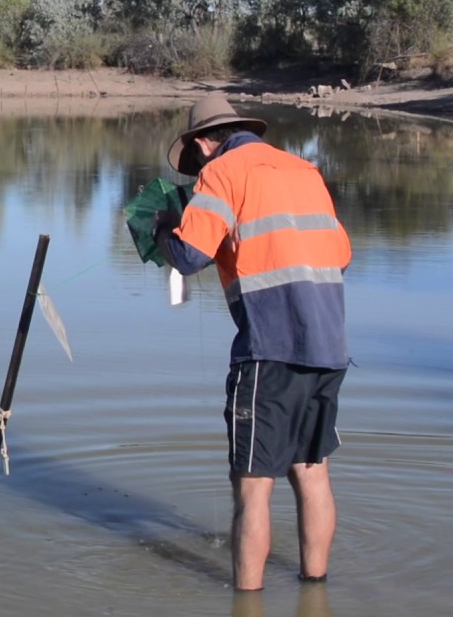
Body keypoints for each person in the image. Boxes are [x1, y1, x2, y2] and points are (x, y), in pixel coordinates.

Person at [153, 95, 352, 591]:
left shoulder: (221, 173)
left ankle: (247, 599)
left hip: (268, 349)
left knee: (252, 488)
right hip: (329, 345)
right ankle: (315, 588)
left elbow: (187, 255)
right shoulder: (305, 170)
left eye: (196, 159)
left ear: (203, 143)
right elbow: (341, 255)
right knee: (312, 473)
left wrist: (161, 228)